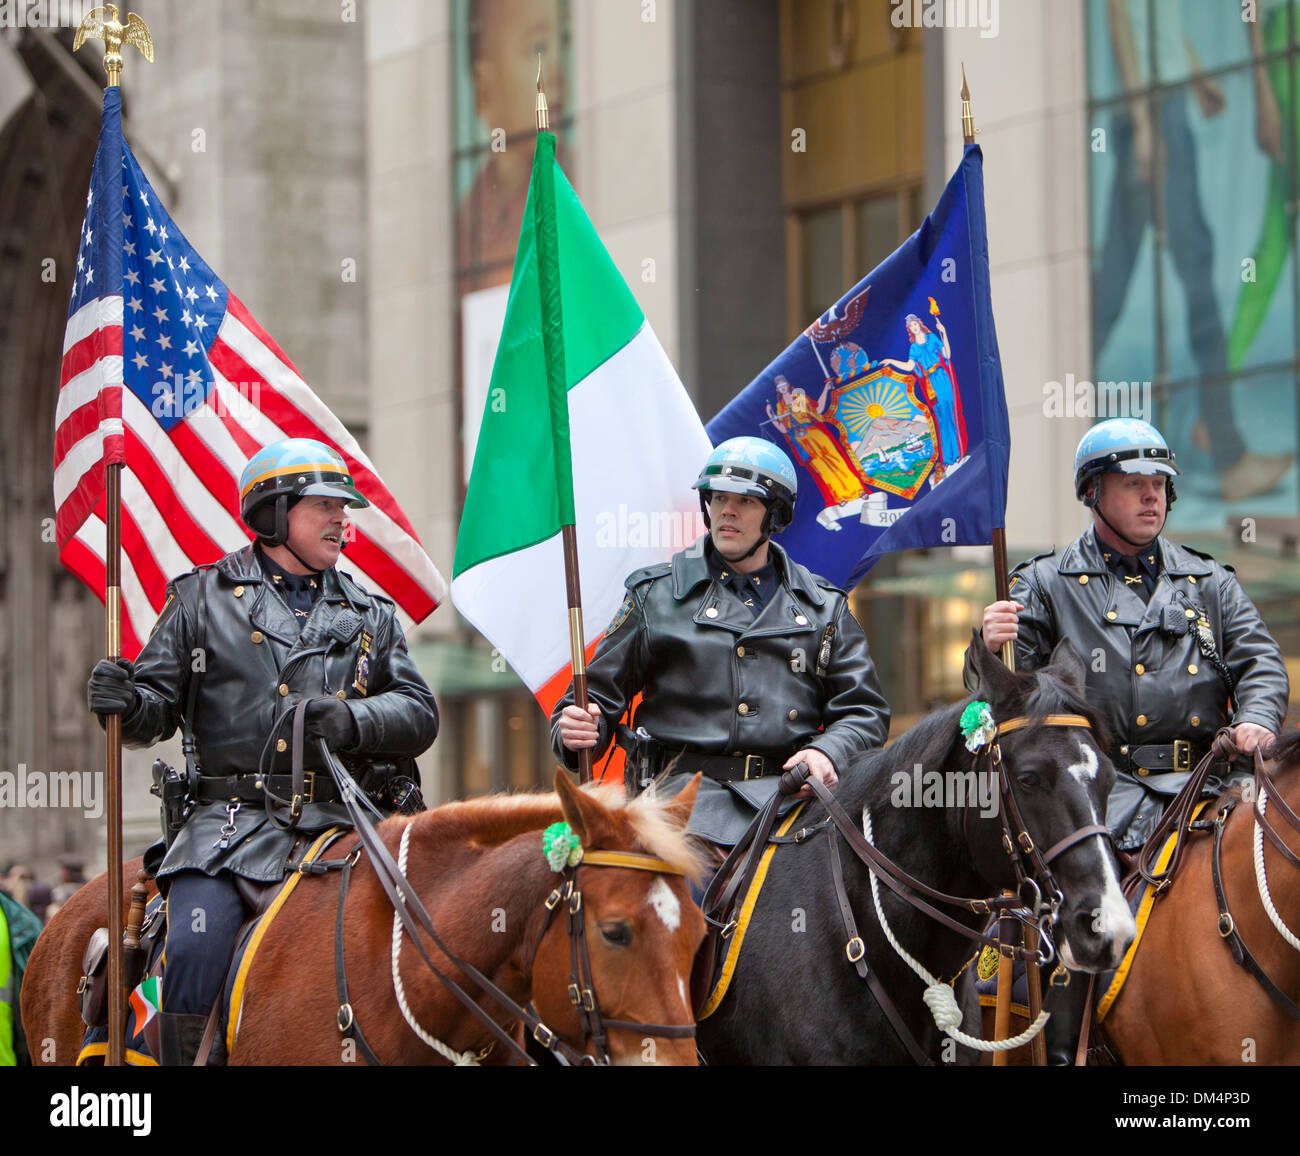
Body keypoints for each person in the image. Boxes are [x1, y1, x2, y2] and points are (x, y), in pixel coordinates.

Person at [86, 438, 438, 1066]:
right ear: (274, 515)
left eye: (344, 507)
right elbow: (152, 715)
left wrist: (351, 719)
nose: (342, 519)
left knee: (437, 933)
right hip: (228, 833)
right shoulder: (199, 598)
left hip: (345, 825)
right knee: (196, 949)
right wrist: (122, 701)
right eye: (325, 505)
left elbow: (419, 712)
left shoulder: (370, 611)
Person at [973, 417, 1288, 1063]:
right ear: (1094, 493)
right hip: (1095, 794)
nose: (1153, 498)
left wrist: (1258, 715)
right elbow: (1001, 695)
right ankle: (1064, 1050)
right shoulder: (1045, 582)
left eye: (1160, 486)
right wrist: (987, 642)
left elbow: (1261, 662)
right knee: (1072, 912)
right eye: (1134, 484)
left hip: (1209, 785)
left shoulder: (1211, 582)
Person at [552, 437, 890, 845]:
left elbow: (863, 711)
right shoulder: (654, 596)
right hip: (673, 811)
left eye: (746, 500)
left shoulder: (824, 608)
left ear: (777, 514)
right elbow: (591, 701)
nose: (727, 511)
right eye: (718, 498)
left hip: (792, 807)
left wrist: (827, 752)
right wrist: (578, 726)